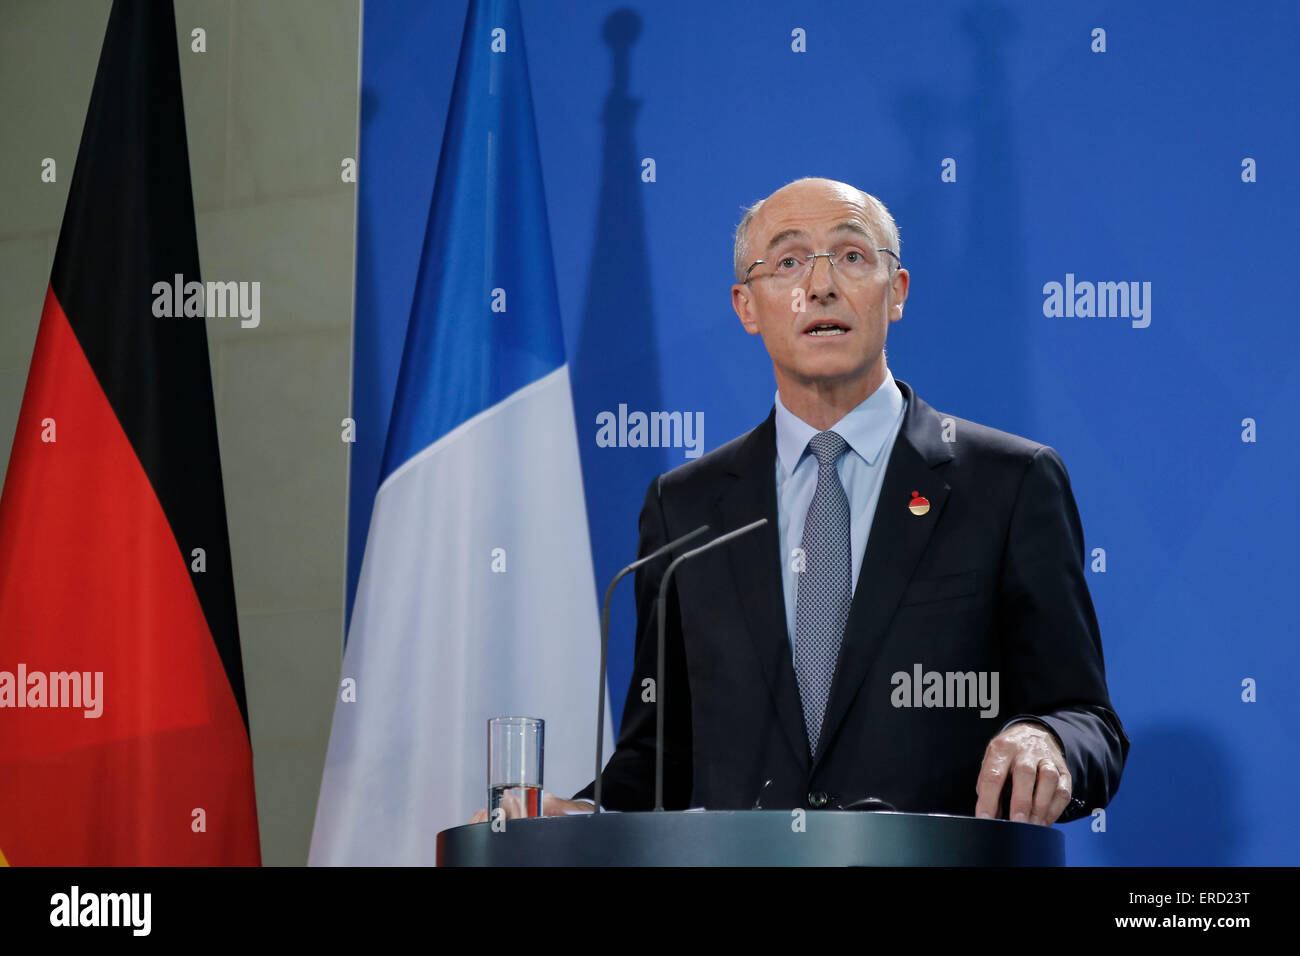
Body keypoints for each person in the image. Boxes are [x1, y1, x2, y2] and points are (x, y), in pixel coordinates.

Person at [471, 177, 1128, 827]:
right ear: (746, 306)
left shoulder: (1009, 483)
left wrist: (1049, 739)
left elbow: (1089, 723)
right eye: (787, 262)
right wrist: (581, 816)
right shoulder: (686, 508)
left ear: (895, 292)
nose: (820, 286)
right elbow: (662, 756)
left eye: (851, 256)